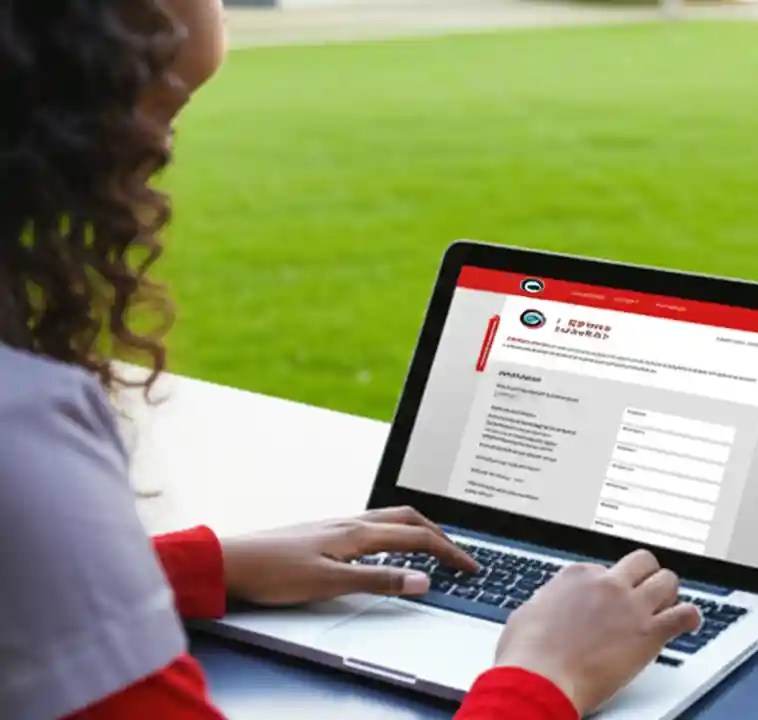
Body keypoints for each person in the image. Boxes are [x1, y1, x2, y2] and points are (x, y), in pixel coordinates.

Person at [0, 2, 703, 719]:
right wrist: (546, 677)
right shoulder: (21, 445)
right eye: (165, 109)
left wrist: (198, 567)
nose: (165, 154)